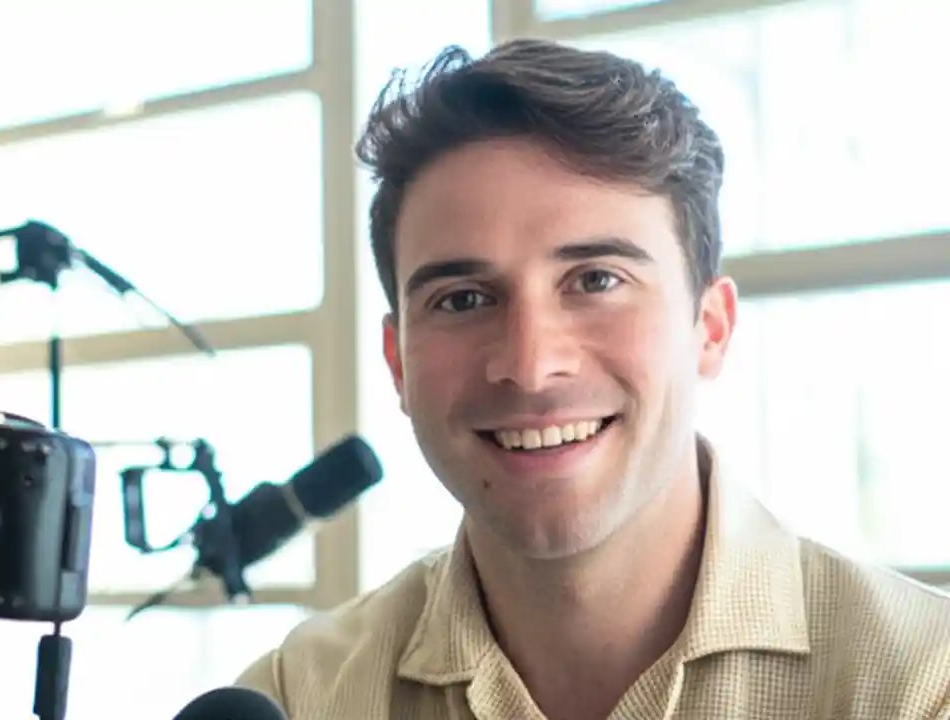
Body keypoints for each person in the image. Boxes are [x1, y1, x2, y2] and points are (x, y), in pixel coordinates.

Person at [235, 38, 950, 719]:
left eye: (596, 279)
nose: (529, 363)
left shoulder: (921, 685)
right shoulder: (298, 700)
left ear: (711, 327)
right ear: (397, 360)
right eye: (461, 299)